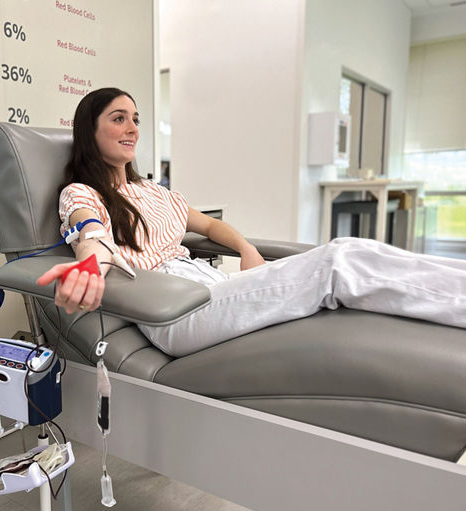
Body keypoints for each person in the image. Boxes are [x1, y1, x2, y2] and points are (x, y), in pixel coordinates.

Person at [37, 87, 466, 357]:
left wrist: (247, 251)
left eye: (136, 119)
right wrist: (89, 265)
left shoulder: (152, 191)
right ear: (89, 131)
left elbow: (209, 227)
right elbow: (89, 234)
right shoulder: (82, 193)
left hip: (212, 290)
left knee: (350, 251)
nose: (132, 128)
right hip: (172, 311)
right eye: (118, 118)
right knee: (337, 263)